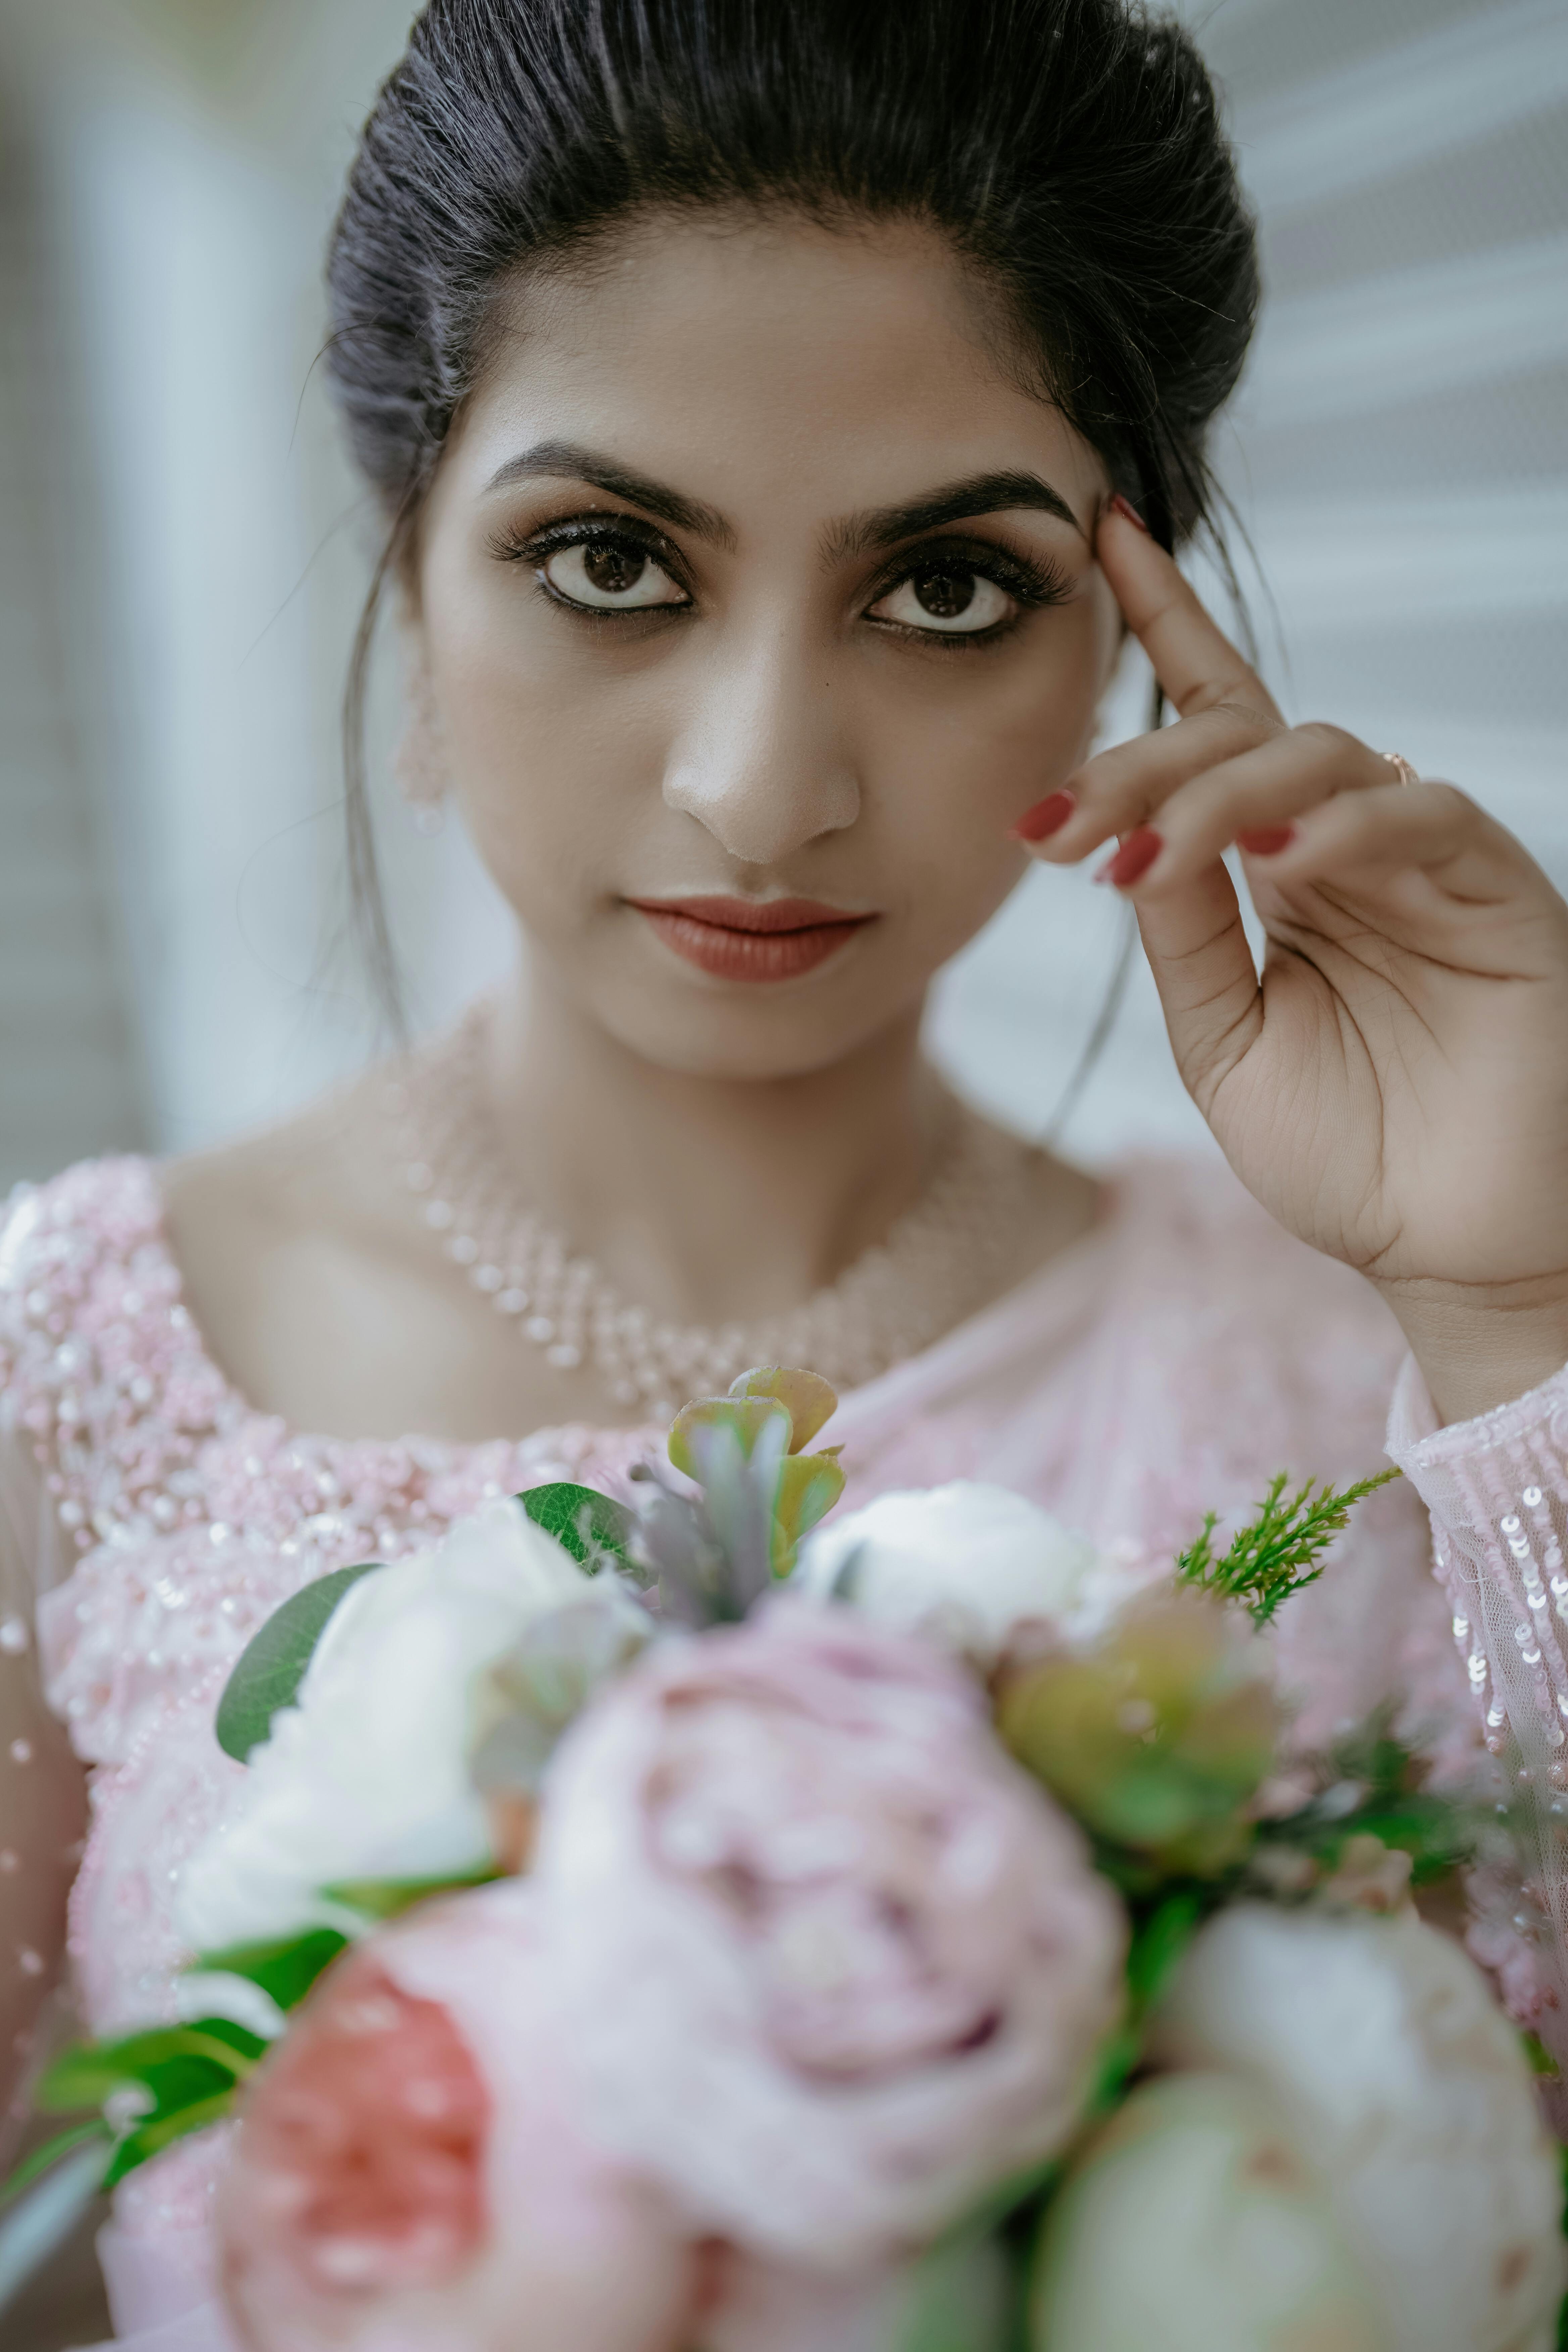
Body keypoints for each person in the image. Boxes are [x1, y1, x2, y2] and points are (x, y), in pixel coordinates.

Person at [3, 1, 1567, 2342]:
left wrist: (1515, 1311)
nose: (762, 786)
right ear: (410, 577)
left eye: (943, 591)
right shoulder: (67, 1376)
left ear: (1126, 648)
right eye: (610, 559)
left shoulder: (1363, 1385)